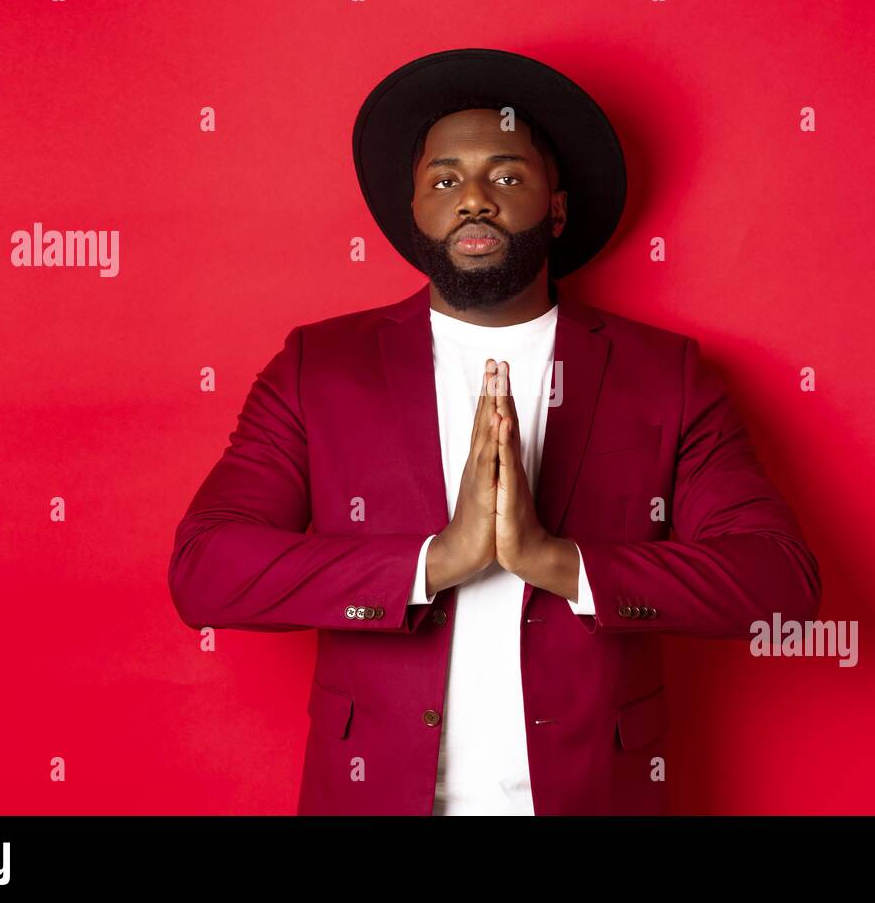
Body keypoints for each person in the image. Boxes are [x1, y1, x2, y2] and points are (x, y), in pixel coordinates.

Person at [168, 48, 822, 815]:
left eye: (506, 176)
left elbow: (778, 583)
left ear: (557, 208)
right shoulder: (321, 366)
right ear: (413, 211)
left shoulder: (664, 373)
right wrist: (433, 562)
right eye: (445, 180)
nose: (473, 199)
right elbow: (205, 570)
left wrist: (563, 563)